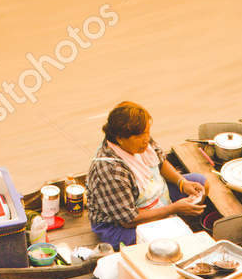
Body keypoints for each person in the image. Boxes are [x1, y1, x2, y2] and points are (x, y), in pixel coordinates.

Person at [86, 101, 208, 249]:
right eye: (139, 136)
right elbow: (128, 220)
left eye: (147, 132)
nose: (146, 139)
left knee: (201, 184)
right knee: (162, 244)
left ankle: (177, 223)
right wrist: (173, 209)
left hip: (155, 197)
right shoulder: (110, 170)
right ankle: (174, 225)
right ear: (120, 138)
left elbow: (160, 162)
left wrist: (182, 182)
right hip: (118, 225)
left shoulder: (141, 139)